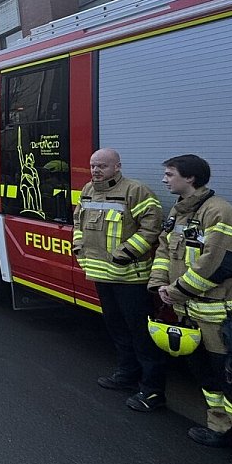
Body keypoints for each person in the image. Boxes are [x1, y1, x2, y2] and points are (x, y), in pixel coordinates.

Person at [148, 154, 232, 464]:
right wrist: (158, 283)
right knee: (208, 379)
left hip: (226, 320)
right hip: (191, 315)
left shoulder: (221, 214)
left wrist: (175, 291)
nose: (164, 179)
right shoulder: (178, 212)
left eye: (169, 174)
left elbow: (219, 265)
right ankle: (220, 429)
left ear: (190, 178)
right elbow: (165, 249)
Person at [73, 148, 166, 412]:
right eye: (92, 165)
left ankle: (153, 391)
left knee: (142, 335)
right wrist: (79, 248)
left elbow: (152, 228)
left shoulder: (136, 191)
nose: (95, 170)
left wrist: (127, 254)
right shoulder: (88, 190)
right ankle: (127, 375)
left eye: (102, 166)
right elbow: (78, 223)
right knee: (117, 329)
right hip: (102, 276)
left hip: (130, 278)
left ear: (117, 166)